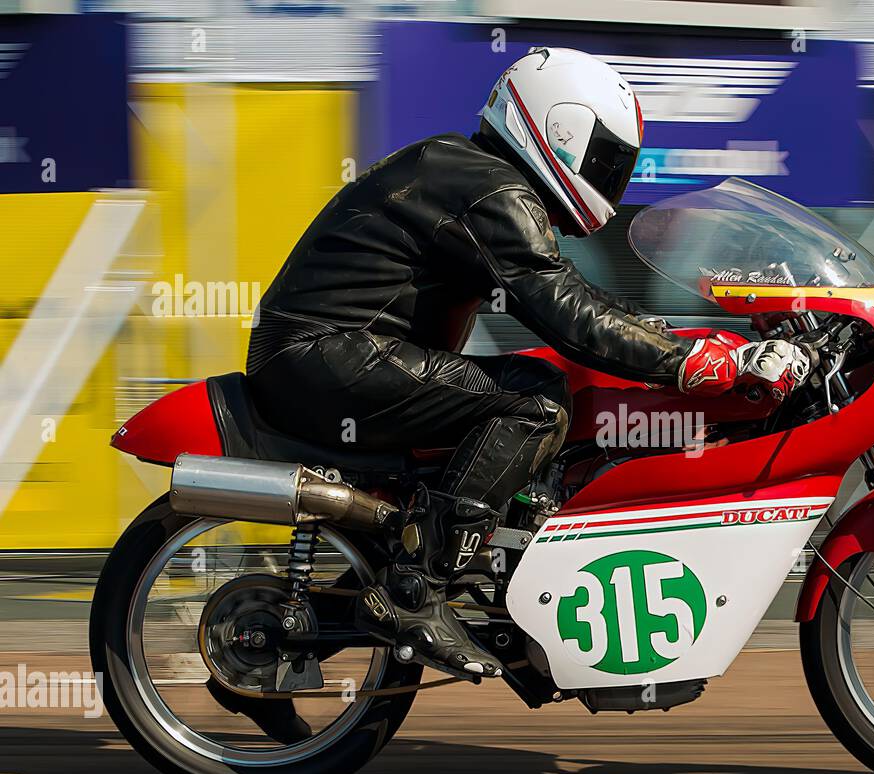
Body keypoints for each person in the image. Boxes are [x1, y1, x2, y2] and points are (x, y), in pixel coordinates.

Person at [244, 47, 812, 680]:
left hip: (329, 356)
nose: (610, 175)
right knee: (536, 399)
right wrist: (694, 363)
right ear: (559, 129)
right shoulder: (490, 187)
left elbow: (571, 296)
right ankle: (416, 590)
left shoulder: (475, 174)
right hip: (325, 357)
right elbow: (565, 312)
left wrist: (667, 338)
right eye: (604, 158)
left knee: (542, 386)